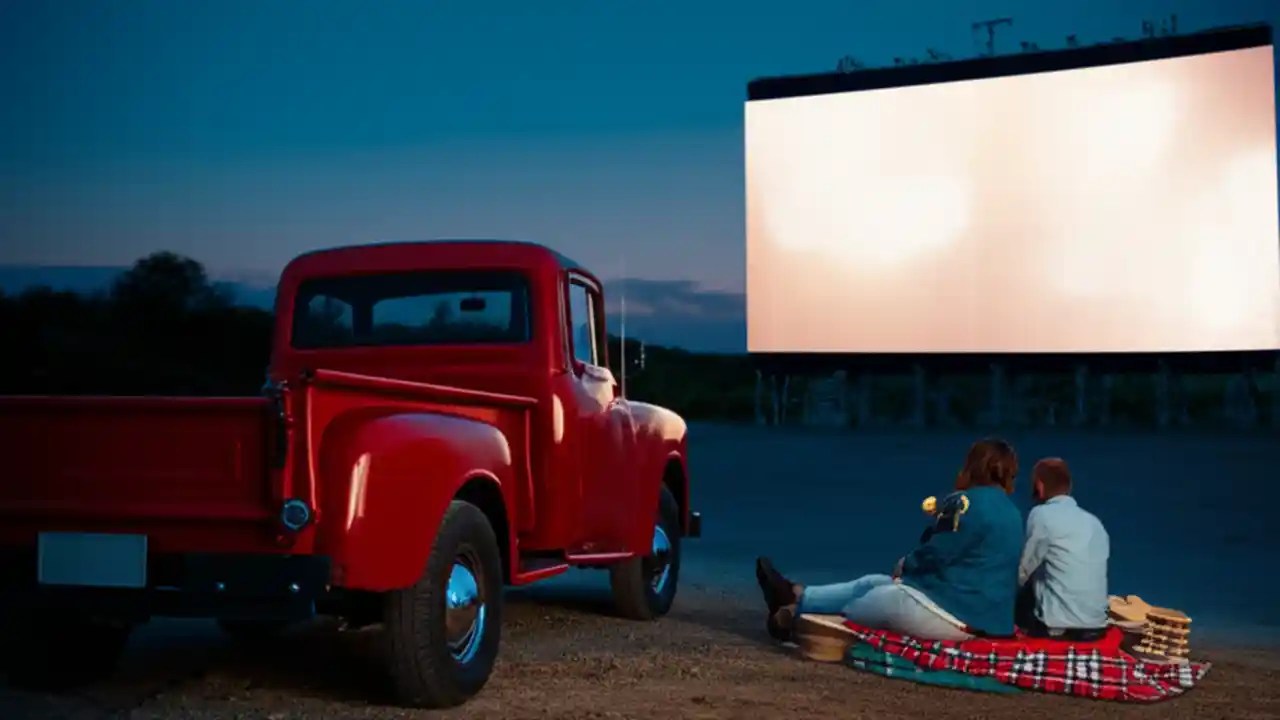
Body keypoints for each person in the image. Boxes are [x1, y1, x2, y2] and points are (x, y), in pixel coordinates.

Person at [756, 437, 1025, 642]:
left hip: (954, 615)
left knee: (878, 597)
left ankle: (794, 614)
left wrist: (906, 564)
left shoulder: (965, 501)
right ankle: (796, 595)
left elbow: (937, 553)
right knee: (872, 582)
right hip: (986, 618)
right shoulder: (1013, 513)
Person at [1015, 457, 1110, 640]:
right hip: (1097, 626)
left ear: (1040, 487)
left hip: (1058, 628)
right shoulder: (1095, 523)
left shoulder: (1041, 515)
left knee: (1025, 587)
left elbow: (1023, 571)